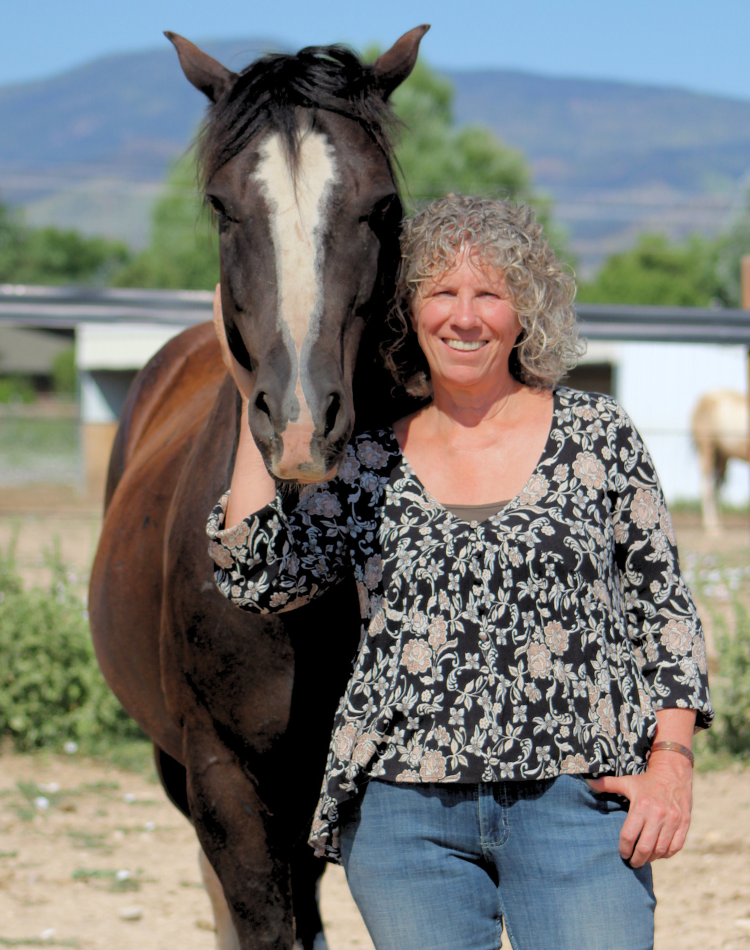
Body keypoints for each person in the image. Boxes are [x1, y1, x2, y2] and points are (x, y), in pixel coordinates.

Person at [206, 195, 712, 950]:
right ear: (408, 312)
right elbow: (257, 574)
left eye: (490, 293)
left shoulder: (598, 437)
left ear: (525, 311)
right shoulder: (369, 461)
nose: (464, 317)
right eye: (441, 292)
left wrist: (671, 762)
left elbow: (664, 613)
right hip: (406, 823)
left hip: (579, 805)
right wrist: (258, 393)